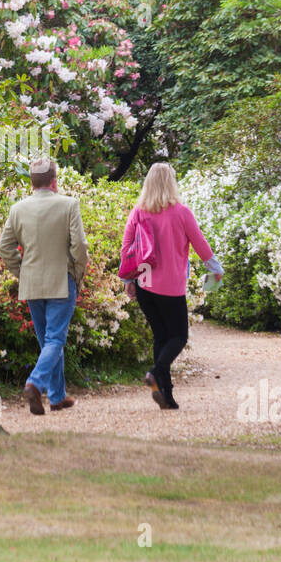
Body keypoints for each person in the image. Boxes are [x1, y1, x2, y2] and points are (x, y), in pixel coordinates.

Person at [121, 163, 223, 410]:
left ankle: (166, 396)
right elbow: (200, 245)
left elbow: (126, 248)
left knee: (161, 337)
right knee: (178, 336)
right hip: (170, 288)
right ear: (171, 183)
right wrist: (216, 269)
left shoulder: (138, 212)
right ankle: (156, 374)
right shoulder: (182, 213)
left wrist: (127, 281)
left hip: (145, 285)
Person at [0, 157, 89, 414]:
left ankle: (57, 397)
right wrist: (77, 272)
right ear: (54, 181)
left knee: (48, 341)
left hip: (32, 284)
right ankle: (35, 383)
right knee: (55, 339)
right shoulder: (69, 204)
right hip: (62, 280)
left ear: (31, 181)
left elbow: (4, 247)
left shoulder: (18, 209)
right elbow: (79, 246)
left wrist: (22, 272)